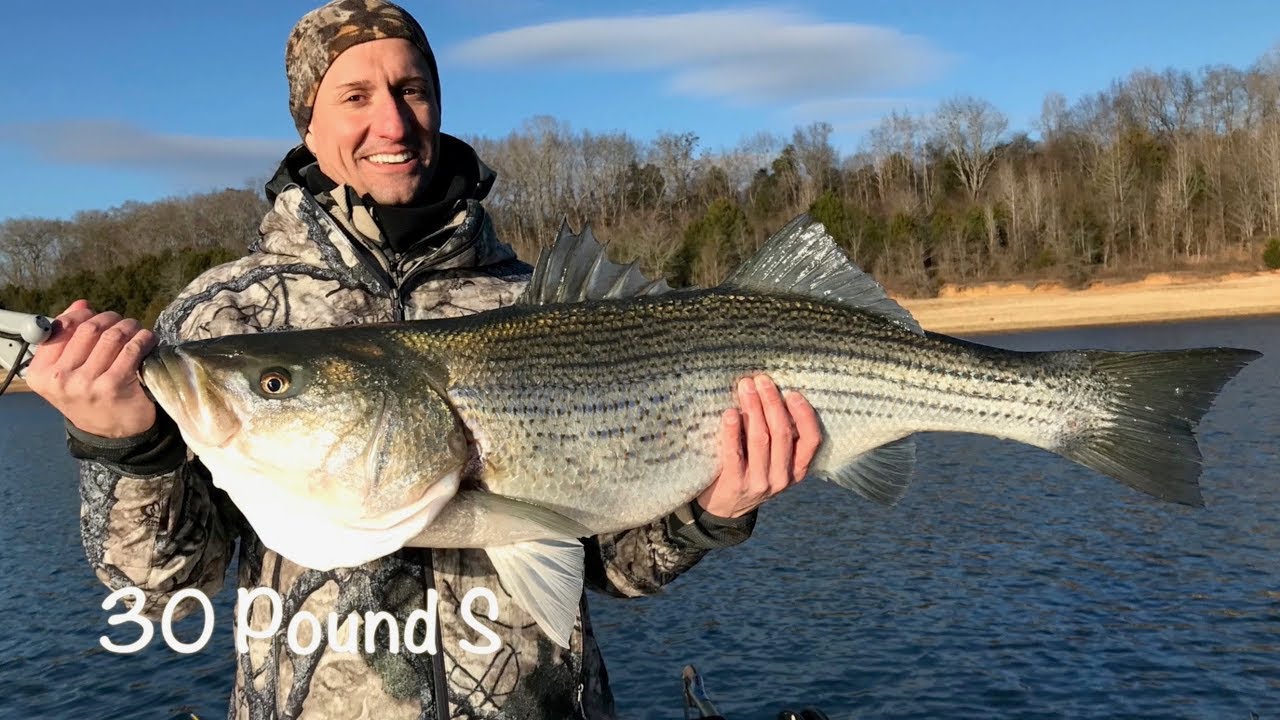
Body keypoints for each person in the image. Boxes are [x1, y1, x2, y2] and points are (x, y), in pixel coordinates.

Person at [26, 1, 822, 717]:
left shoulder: (531, 303)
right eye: (355, 96)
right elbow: (160, 588)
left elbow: (614, 569)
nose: (394, 123)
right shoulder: (224, 317)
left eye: (412, 89)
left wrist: (712, 512)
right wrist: (127, 446)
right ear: (307, 121)